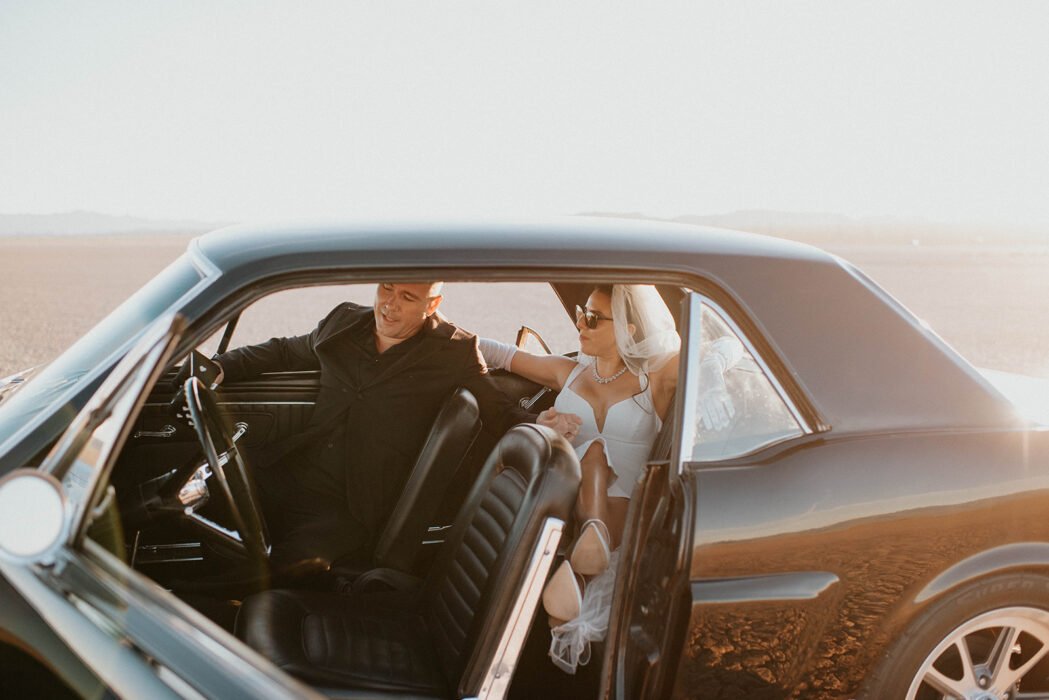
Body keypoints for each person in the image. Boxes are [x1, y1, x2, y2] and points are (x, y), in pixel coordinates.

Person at [480, 283, 742, 674]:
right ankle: (589, 546)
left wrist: (709, 370)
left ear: (627, 329)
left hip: (626, 515)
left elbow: (729, 345)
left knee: (598, 457)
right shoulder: (566, 373)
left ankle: (590, 549)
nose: (579, 324)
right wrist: (440, 331)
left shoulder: (654, 378)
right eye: (578, 314)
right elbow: (498, 353)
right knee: (591, 456)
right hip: (565, 506)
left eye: (591, 318)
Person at [198, 282, 535, 569]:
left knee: (285, 568)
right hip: (291, 470)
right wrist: (220, 366)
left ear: (432, 305)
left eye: (408, 297)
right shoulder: (344, 322)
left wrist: (544, 423)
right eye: (387, 287)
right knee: (197, 500)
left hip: (351, 507)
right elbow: (287, 351)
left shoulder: (454, 350)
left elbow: (499, 412)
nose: (390, 304)